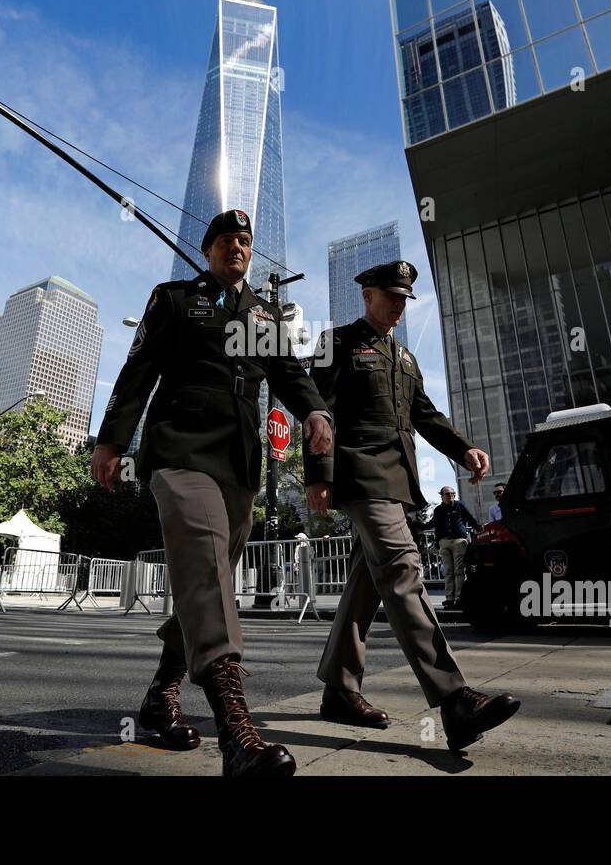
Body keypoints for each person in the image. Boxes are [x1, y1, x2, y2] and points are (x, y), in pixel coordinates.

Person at [92, 208, 332, 777]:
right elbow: (137, 373)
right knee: (206, 569)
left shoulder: (264, 313)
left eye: (245, 241)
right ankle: (237, 735)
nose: (238, 247)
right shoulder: (173, 299)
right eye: (227, 240)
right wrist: (111, 442)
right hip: (179, 451)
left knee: (210, 583)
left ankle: (160, 695)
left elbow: (291, 372)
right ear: (208, 251)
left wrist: (316, 410)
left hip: (239, 464)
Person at [305, 260, 520, 754]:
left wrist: (462, 447)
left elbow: (423, 413)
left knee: (366, 583)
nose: (400, 306)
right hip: (359, 476)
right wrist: (319, 475)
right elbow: (315, 410)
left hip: (401, 484)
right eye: (393, 296)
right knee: (403, 572)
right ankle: (454, 700)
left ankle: (339, 690)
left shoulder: (404, 357)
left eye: (405, 299)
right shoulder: (335, 342)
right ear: (368, 295)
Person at [429, 485, 481, 609]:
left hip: (459, 541)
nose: (451, 496)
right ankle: (449, 599)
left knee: (459, 571)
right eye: (447, 494)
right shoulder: (438, 510)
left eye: (452, 494)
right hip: (444, 542)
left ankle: (459, 598)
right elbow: (433, 523)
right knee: (448, 571)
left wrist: (479, 528)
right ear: (441, 496)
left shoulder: (459, 505)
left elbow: (470, 519)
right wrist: (419, 527)